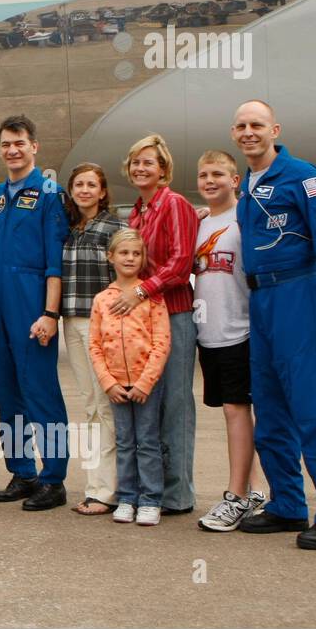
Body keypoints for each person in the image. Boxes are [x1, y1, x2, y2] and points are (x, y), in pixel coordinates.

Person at [231, 100, 316, 549]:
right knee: (270, 407)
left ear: (275, 130)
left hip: (299, 295)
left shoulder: (304, 175)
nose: (249, 132)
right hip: (261, 300)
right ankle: (288, 504)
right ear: (235, 133)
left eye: (257, 125)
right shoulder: (246, 183)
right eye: (242, 126)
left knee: (314, 406)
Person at [0, 116, 70, 510]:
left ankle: (53, 479)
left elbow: (56, 261)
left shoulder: (51, 193)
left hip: (32, 302)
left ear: (34, 146)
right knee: (8, 392)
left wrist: (50, 313)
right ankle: (23, 471)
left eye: (19, 142)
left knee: (40, 392)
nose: (12, 150)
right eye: (5, 144)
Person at [123, 134, 200, 515]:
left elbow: (180, 263)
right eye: (136, 163)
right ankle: (151, 488)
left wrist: (141, 291)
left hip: (173, 313)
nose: (141, 168)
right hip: (145, 320)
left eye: (148, 162)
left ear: (163, 168)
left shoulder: (174, 204)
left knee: (175, 405)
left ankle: (178, 494)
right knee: (149, 406)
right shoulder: (137, 213)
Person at [194, 150, 266, 532]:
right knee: (233, 412)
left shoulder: (246, 219)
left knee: (237, 411)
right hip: (210, 334)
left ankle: (235, 497)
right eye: (204, 174)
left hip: (242, 332)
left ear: (235, 179)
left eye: (218, 174)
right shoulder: (200, 223)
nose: (210, 180)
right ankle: (255, 489)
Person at [88, 228, 172, 526]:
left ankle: (150, 499)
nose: (130, 258)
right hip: (116, 385)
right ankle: (127, 497)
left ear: (143, 258)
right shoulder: (101, 300)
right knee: (124, 441)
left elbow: (162, 343)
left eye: (136, 253)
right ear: (111, 257)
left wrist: (146, 382)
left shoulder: (151, 297)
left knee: (147, 441)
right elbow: (95, 345)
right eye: (124, 252)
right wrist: (108, 383)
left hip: (145, 383)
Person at [61, 163, 127, 516]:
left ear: (102, 192)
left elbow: (129, 269)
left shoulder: (115, 226)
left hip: (101, 322)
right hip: (71, 321)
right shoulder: (71, 228)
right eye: (78, 184)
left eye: (91, 185)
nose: (84, 190)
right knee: (89, 405)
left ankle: (109, 490)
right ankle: (96, 486)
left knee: (104, 407)